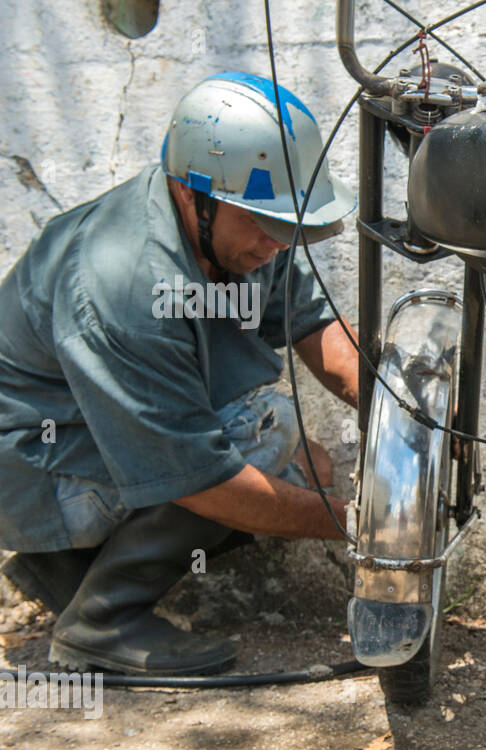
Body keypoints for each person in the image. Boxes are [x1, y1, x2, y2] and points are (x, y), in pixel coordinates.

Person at [0, 72, 359, 676]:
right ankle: (101, 625)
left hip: (72, 451)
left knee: (309, 466)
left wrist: (398, 406)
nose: (277, 243)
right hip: (31, 465)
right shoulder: (123, 281)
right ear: (193, 196)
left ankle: (65, 574)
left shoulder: (237, 227)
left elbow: (310, 320)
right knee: (263, 433)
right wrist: (359, 529)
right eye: (264, 224)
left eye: (286, 226)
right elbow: (198, 477)